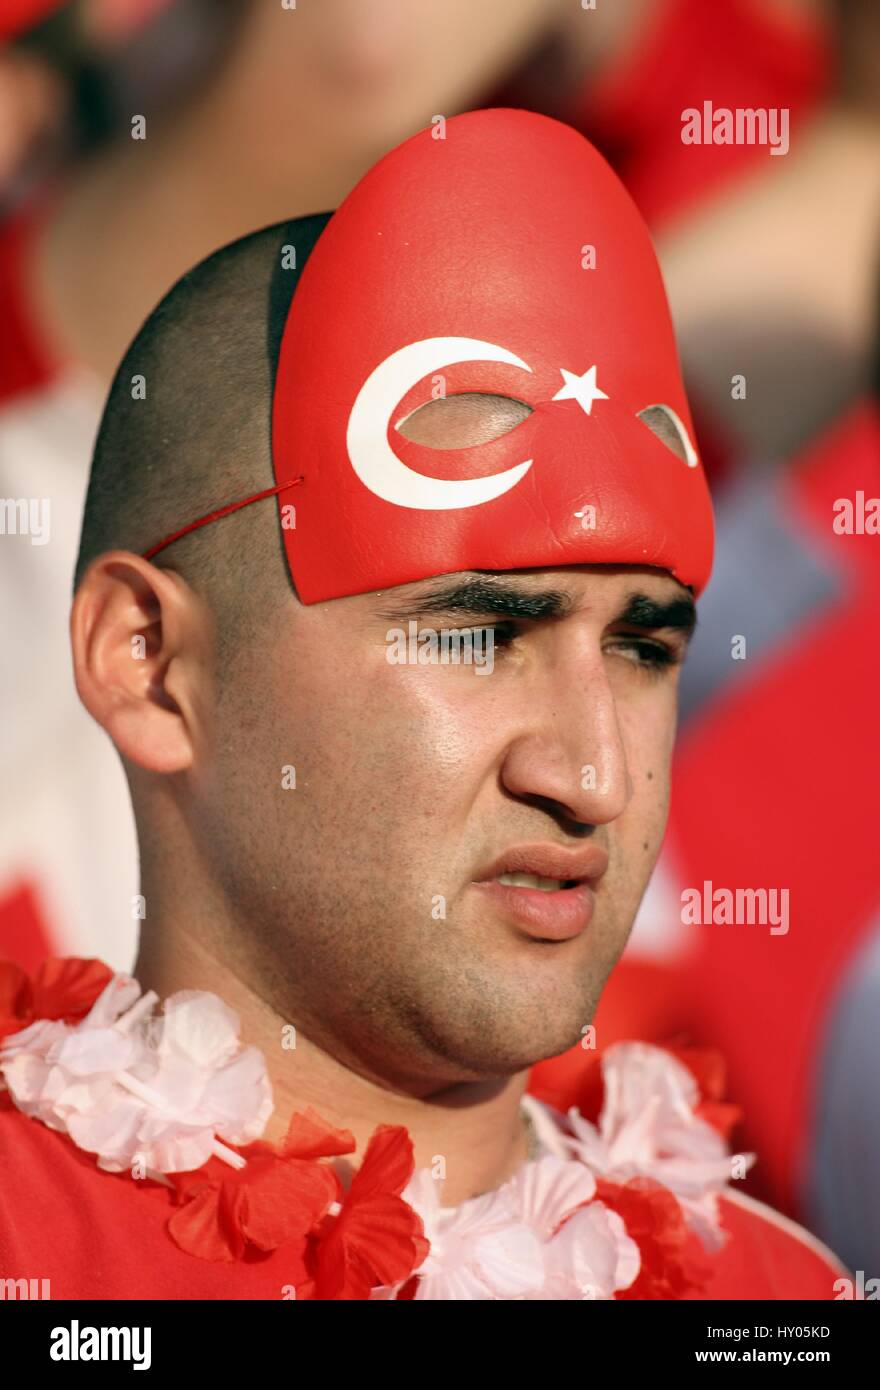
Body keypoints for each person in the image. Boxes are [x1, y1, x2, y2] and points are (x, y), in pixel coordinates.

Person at [0, 109, 846, 1300]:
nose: (593, 775)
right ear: (146, 661)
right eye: (478, 634)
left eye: (645, 647)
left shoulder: (778, 1300)